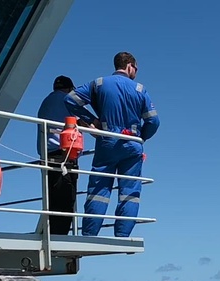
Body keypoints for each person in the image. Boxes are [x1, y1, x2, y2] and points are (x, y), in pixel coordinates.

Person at [65, 52, 160, 237]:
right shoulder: (140, 89)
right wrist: (142, 138)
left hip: (106, 140)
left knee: (99, 189)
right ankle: (123, 235)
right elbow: (154, 121)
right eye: (136, 69)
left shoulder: (98, 84)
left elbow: (70, 100)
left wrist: (92, 120)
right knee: (130, 191)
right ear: (130, 66)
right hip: (132, 143)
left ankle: (90, 234)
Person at [36, 75, 95, 235]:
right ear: (70, 89)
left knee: (52, 200)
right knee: (65, 201)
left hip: (47, 155)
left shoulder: (46, 102)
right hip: (65, 156)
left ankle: (49, 234)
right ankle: (59, 237)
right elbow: (88, 125)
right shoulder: (69, 101)